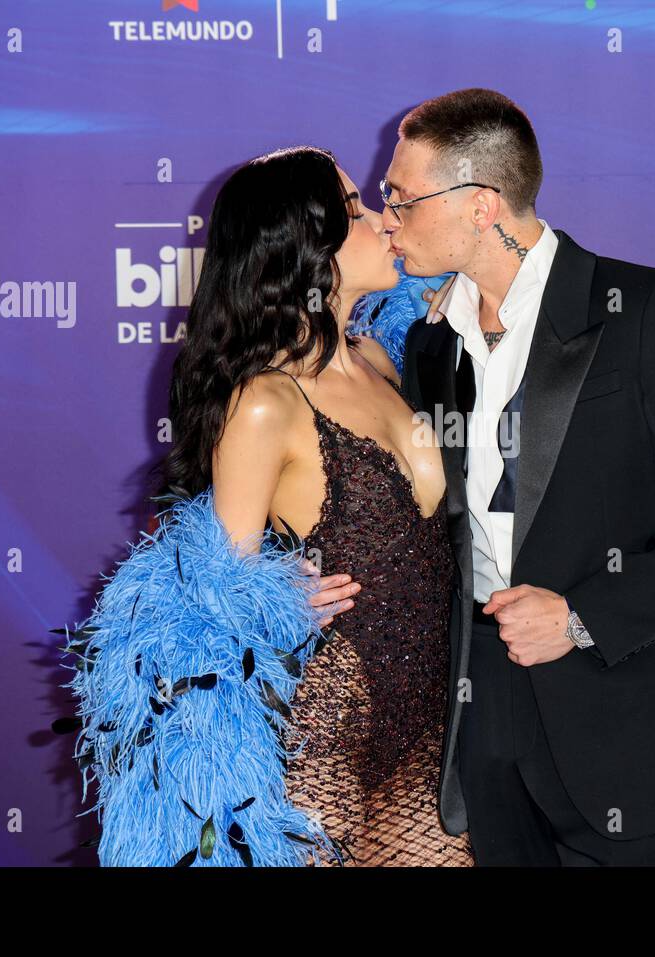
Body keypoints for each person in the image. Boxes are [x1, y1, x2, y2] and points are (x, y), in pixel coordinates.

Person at [387, 88, 655, 865]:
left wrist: (579, 615)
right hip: (483, 727)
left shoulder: (640, 311)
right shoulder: (430, 344)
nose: (388, 215)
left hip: (624, 715)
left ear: (480, 204)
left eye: (403, 197)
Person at [58, 145, 472, 866]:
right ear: (307, 246)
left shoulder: (383, 358)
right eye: (355, 210)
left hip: (431, 727)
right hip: (322, 727)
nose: (380, 221)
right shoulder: (263, 402)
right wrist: (271, 599)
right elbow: (205, 606)